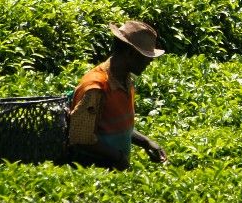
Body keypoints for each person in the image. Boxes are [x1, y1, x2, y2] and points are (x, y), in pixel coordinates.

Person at [67, 20, 168, 170]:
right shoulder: (96, 87)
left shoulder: (125, 80)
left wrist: (145, 142)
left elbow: (115, 128)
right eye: (146, 56)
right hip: (91, 172)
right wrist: (117, 157)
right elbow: (81, 137)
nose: (150, 61)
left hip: (113, 170)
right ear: (130, 53)